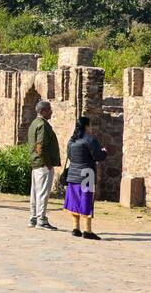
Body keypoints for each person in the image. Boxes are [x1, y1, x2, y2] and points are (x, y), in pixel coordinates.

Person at [64, 117, 106, 239]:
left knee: (74, 201)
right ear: (86, 126)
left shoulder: (71, 141)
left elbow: (70, 156)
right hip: (87, 174)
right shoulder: (90, 140)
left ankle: (75, 228)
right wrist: (104, 151)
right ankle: (87, 230)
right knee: (86, 201)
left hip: (73, 174)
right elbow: (98, 156)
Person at [26, 100, 60, 230]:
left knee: (35, 192)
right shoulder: (43, 125)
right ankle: (41, 219)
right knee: (42, 193)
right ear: (43, 111)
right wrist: (48, 163)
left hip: (36, 163)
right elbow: (40, 146)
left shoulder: (34, 123)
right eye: (49, 109)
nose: (51, 112)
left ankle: (34, 218)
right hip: (43, 164)